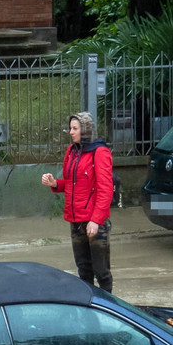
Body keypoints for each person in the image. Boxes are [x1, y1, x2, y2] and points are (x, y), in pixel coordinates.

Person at [41, 111, 114, 292]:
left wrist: (96, 220)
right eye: (70, 128)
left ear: (85, 130)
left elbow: (105, 189)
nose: (71, 132)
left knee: (102, 272)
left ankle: (108, 305)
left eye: (75, 128)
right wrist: (55, 183)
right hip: (76, 220)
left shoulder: (100, 152)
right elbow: (71, 184)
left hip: (94, 222)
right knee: (84, 271)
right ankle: (88, 304)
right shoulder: (72, 152)